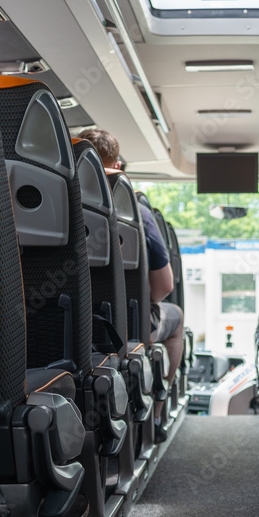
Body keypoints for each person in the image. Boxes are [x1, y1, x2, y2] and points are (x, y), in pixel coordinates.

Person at [75, 128, 185, 427]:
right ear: (117, 166)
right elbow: (163, 287)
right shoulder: (135, 211)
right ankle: (158, 411)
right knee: (176, 316)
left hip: (62, 328)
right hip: (128, 327)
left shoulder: (55, 197)